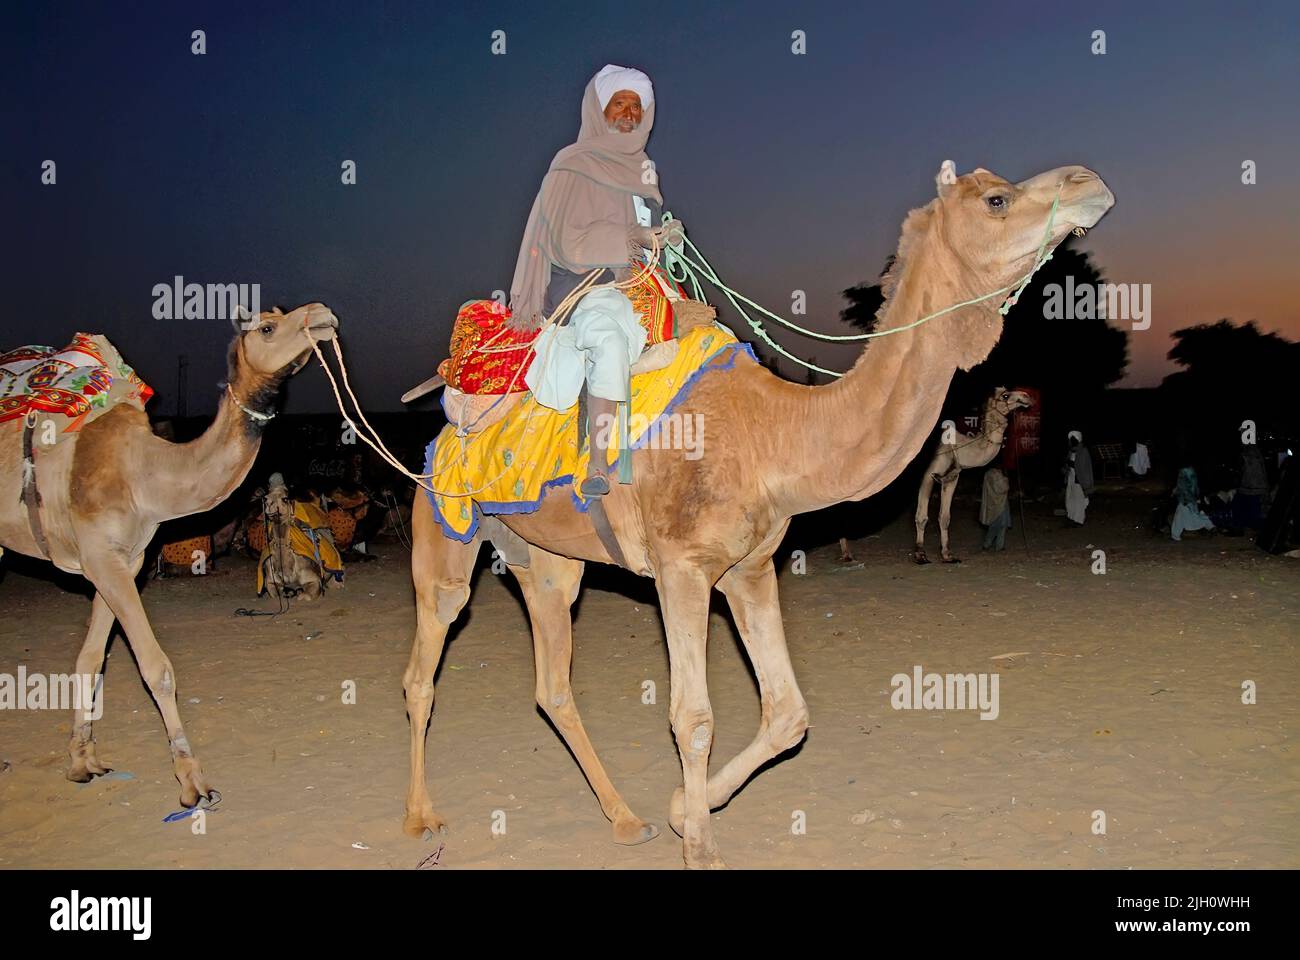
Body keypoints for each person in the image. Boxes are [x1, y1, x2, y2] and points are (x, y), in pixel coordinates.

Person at [508, 64, 684, 498]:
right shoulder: (573, 164)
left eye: (636, 106)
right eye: (619, 103)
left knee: (709, 340)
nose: (629, 113)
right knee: (607, 337)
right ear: (600, 110)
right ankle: (599, 462)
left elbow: (647, 233)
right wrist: (629, 238)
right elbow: (564, 240)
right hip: (586, 286)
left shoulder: (644, 170)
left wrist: (665, 239)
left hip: (642, 284)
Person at [1171, 466, 1215, 541]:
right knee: (1186, 516)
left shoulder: (1184, 473)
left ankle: (1175, 535)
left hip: (1186, 500)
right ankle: (1175, 535)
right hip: (1191, 500)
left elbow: (1183, 487)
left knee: (1189, 517)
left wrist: (1175, 492)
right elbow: (1194, 487)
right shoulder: (1191, 473)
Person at [1064, 430, 1093, 525]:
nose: (1069, 442)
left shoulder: (1083, 451)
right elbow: (1068, 464)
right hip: (1071, 478)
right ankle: (1071, 517)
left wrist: (1086, 485)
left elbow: (1084, 469)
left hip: (1079, 479)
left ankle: (1078, 520)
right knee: (1070, 498)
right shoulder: (1072, 451)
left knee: (1079, 500)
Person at [980, 466, 1012, 551]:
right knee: (1000, 525)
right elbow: (1003, 488)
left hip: (992, 503)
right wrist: (1006, 479)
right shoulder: (996, 474)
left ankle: (993, 545)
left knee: (996, 525)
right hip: (1000, 503)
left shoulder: (987, 474)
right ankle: (993, 545)